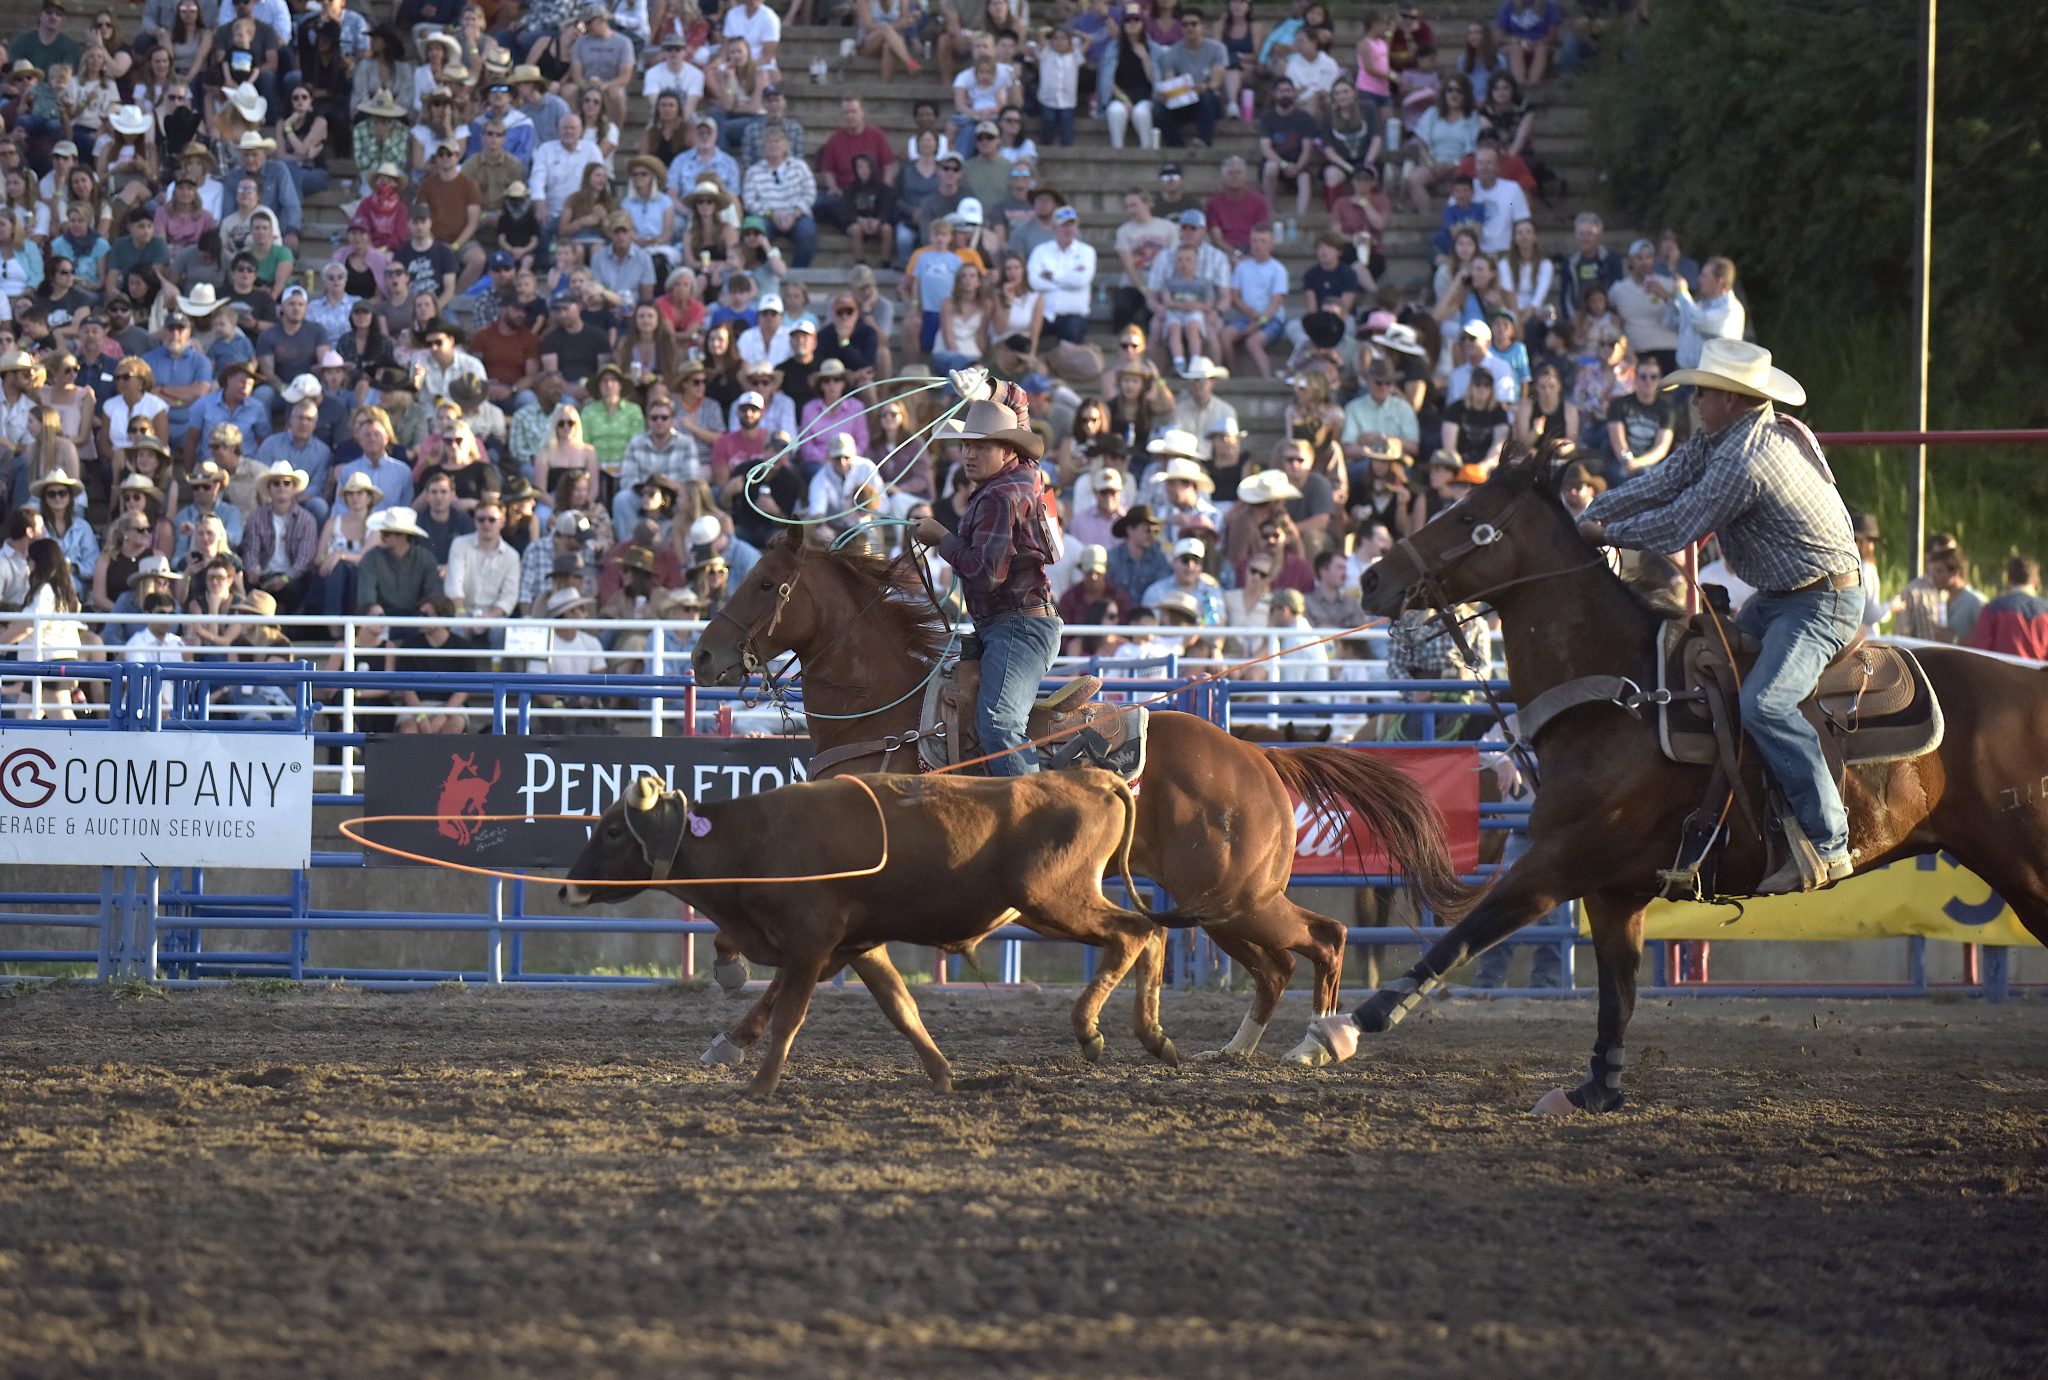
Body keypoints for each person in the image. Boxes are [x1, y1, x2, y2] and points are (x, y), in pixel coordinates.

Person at [1578, 341, 1860, 892]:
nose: (1696, 398)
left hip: (1819, 602)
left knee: (1765, 702)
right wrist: (1590, 514)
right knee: (1701, 673)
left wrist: (1603, 534)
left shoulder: (1747, 459)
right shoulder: (1727, 438)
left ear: (1732, 399)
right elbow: (1660, 482)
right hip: (1786, 597)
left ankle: (1830, 840)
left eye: (1704, 390)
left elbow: (1678, 522)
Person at [913, 400, 1061, 776]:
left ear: (1007, 451)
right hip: (1019, 623)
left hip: (1017, 628)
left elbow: (985, 574)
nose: (969, 454)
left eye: (981, 446)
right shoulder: (1026, 476)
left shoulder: (997, 497)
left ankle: (1035, 812)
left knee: (998, 723)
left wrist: (942, 538)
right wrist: (1002, 391)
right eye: (966, 446)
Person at [1966, 557, 2048, 660]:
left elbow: (1979, 652)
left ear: (2008, 580)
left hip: (2001, 674)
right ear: (2037, 581)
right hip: (2037, 675)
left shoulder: (1992, 609)